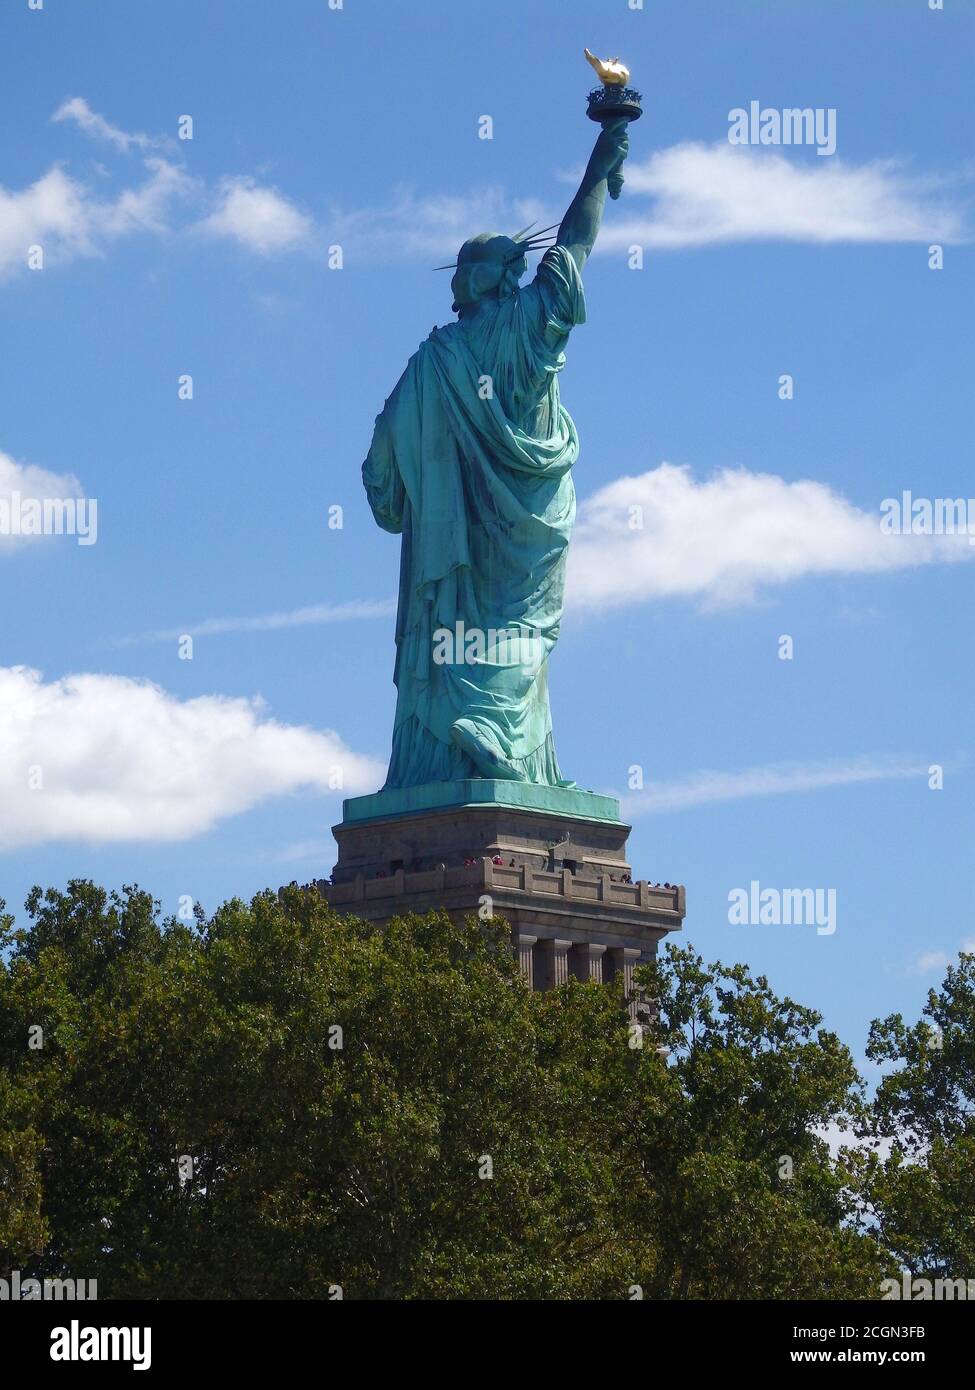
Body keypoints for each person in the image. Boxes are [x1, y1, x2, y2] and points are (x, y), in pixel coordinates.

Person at [362, 119, 630, 788]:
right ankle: (503, 746)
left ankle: (453, 744)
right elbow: (575, 242)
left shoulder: (431, 363)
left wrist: (420, 494)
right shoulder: (528, 325)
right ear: (510, 278)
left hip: (451, 547)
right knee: (518, 630)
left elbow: (380, 475)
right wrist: (605, 151)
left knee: (459, 627)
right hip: (527, 522)